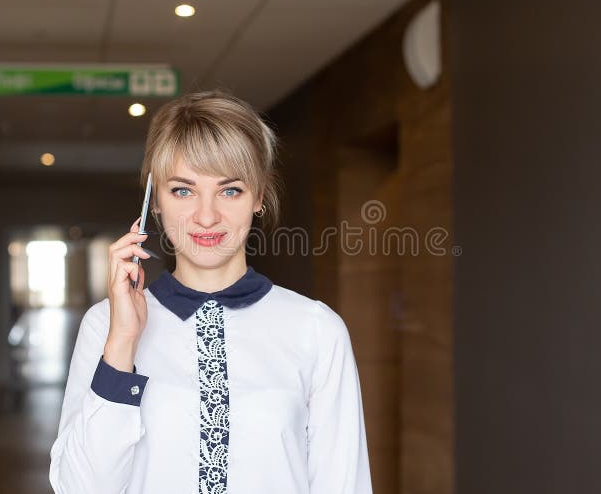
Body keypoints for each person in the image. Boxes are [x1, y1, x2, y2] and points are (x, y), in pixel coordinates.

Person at [49, 91, 373, 494]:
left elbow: (343, 484)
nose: (206, 217)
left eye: (230, 190)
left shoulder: (317, 330)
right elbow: (79, 488)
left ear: (258, 196)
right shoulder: (105, 325)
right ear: (155, 201)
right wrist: (123, 343)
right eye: (183, 190)